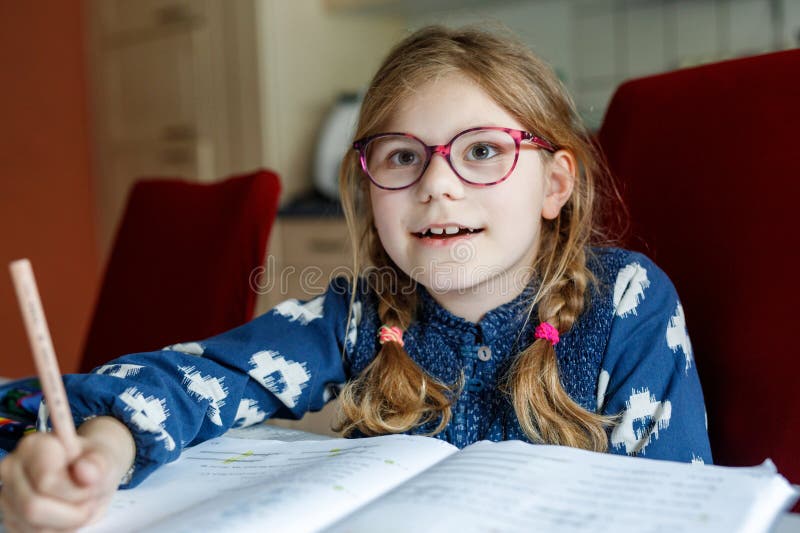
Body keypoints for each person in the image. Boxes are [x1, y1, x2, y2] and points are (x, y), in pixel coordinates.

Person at [0, 25, 712, 531]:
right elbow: (197, 377)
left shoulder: (626, 304)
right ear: (370, 186)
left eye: (485, 150)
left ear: (555, 184)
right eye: (403, 157)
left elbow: (681, 506)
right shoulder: (362, 314)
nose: (437, 185)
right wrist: (104, 445)